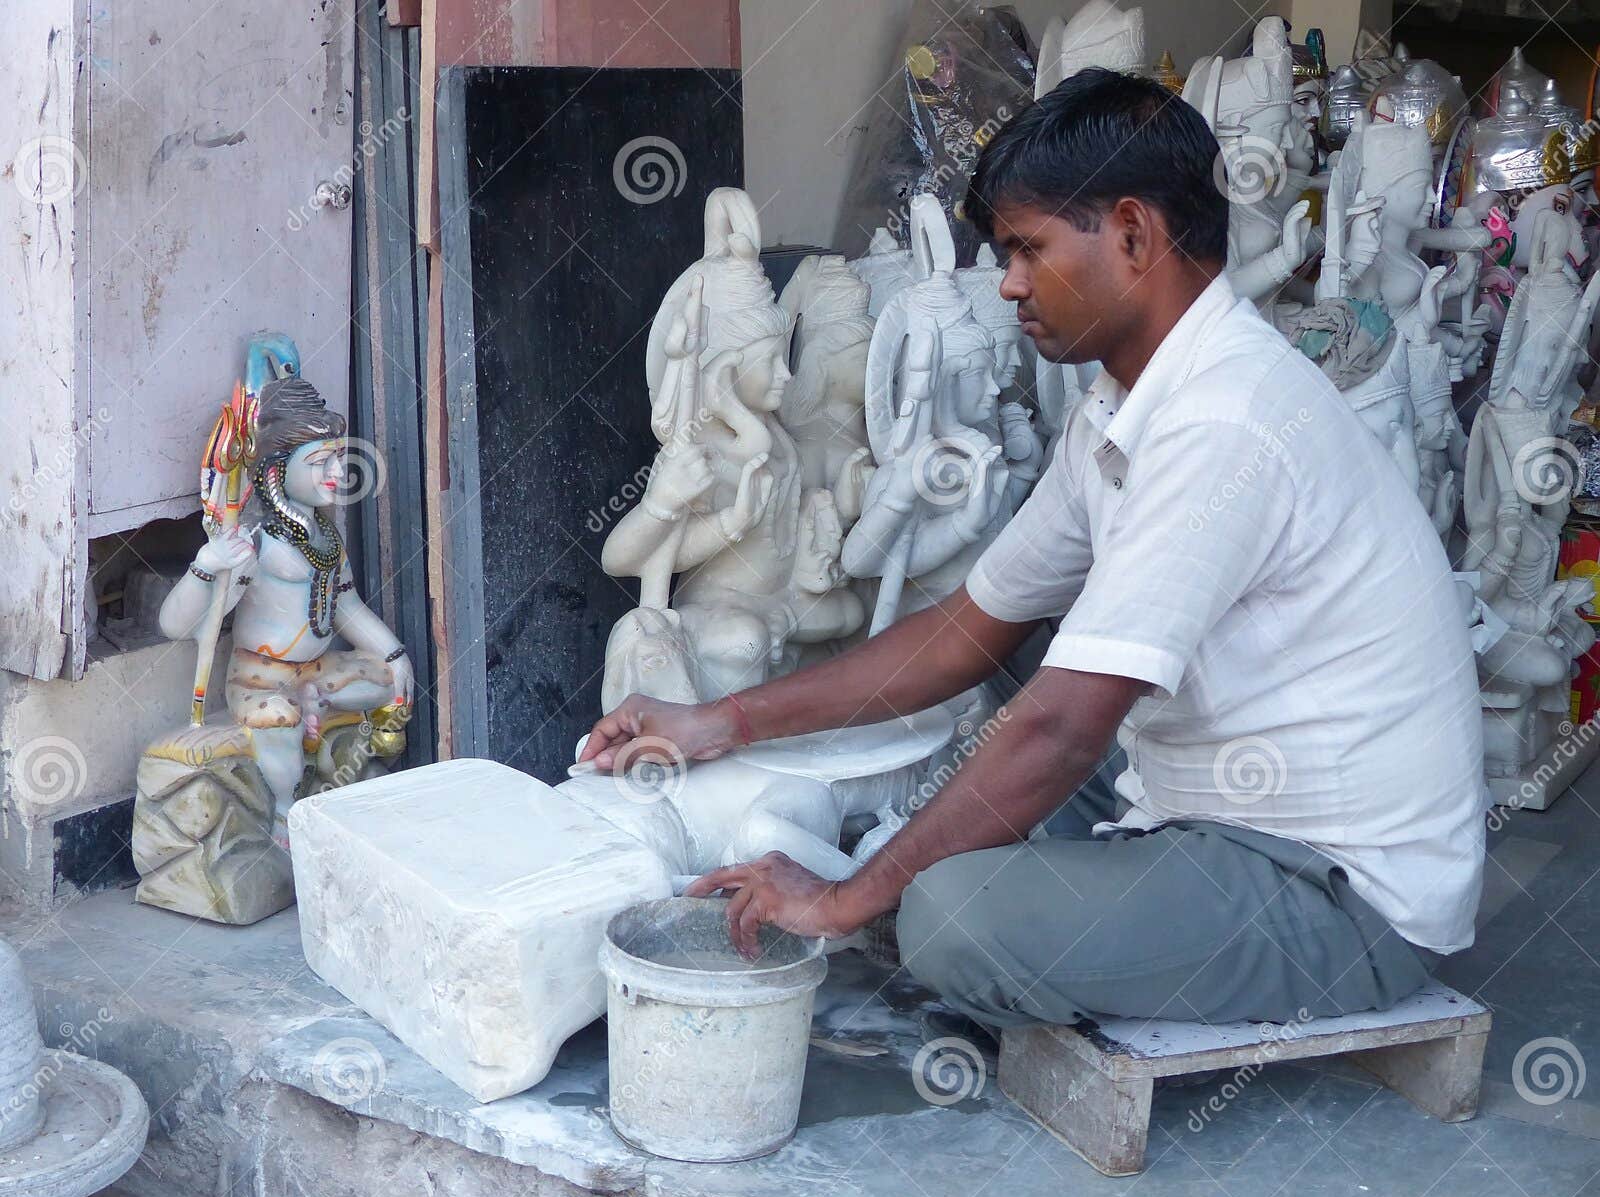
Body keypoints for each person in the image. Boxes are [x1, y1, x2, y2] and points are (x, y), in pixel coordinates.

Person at [578, 70, 1486, 1031]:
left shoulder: (1224, 420)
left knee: (949, 917)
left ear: (1132, 235)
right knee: (944, 809)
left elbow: (1063, 727)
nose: (1008, 282)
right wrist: (723, 720)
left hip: (1338, 892)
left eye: (1027, 249)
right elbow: (970, 625)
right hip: (1201, 796)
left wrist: (847, 899)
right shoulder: (1127, 404)